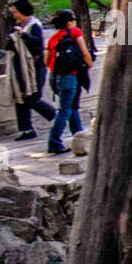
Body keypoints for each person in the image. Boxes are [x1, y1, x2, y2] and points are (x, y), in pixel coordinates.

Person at [44, 9, 93, 155]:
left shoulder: (53, 39)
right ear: (69, 22)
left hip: (54, 76)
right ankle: (54, 142)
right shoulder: (75, 32)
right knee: (64, 110)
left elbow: (47, 61)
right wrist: (88, 65)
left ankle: (79, 136)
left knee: (71, 106)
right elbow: (85, 52)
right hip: (69, 76)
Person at [7, 0, 56, 140]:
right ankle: (26, 129)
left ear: (23, 11)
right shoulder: (19, 25)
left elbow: (37, 45)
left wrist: (23, 34)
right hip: (21, 68)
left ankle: (55, 116)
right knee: (20, 98)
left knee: (32, 97)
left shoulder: (34, 26)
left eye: (16, 12)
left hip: (34, 68)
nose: (14, 15)